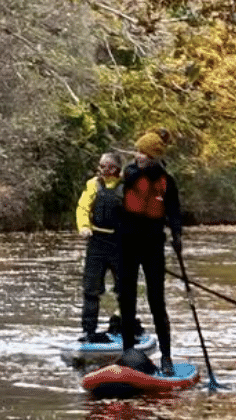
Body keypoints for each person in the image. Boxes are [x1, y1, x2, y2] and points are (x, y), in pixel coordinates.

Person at [115, 129, 184, 375]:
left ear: (154, 156)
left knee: (156, 300)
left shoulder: (167, 180)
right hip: (127, 243)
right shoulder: (130, 173)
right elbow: (131, 176)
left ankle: (166, 357)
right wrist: (147, 168)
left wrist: (177, 237)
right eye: (138, 152)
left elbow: (174, 212)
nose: (138, 156)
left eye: (144, 153)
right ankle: (127, 352)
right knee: (126, 299)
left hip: (153, 243)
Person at [74, 151, 125, 342]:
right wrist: (84, 227)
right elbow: (83, 208)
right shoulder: (93, 185)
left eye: (104, 166)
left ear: (114, 168)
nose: (101, 169)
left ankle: (120, 324)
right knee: (91, 288)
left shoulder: (127, 188)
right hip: (96, 243)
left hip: (120, 245)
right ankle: (89, 330)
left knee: (125, 289)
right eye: (100, 165)